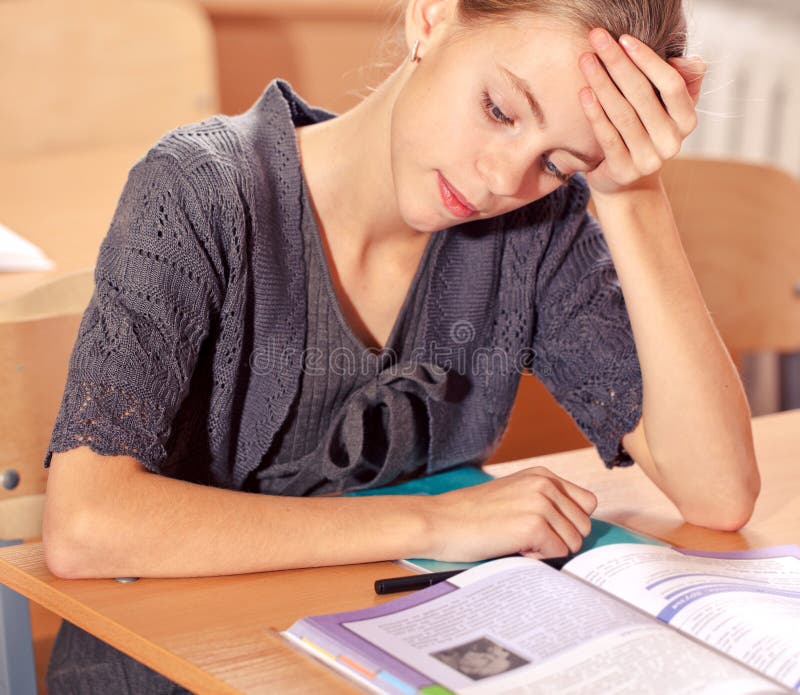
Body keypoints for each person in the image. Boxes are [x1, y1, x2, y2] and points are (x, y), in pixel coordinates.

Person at [41, 0, 760, 691]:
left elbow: (717, 491)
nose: (504, 180)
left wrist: (632, 194)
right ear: (432, 16)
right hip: (172, 669)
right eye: (500, 110)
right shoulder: (202, 190)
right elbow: (86, 524)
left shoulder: (537, 229)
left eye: (558, 163)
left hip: (391, 659)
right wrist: (438, 520)